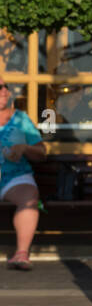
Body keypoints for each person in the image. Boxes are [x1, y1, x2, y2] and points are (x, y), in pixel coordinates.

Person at [0, 80, 44, 271]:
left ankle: (21, 254)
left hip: (14, 177)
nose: (2, 91)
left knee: (29, 198)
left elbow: (42, 152)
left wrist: (24, 147)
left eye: (4, 86)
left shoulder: (21, 120)